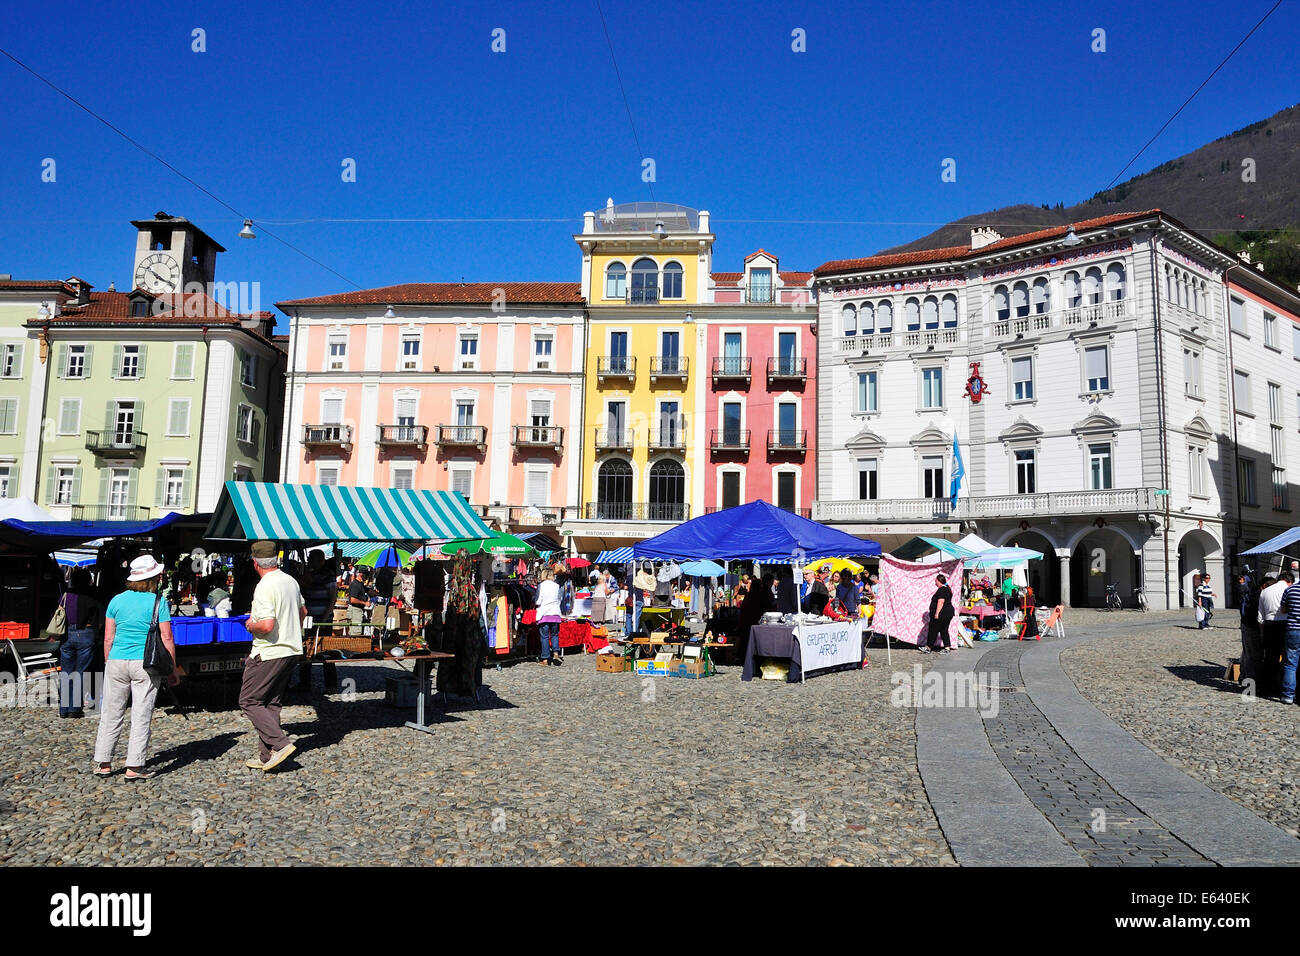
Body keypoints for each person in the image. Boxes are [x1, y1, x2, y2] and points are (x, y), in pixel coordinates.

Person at [93, 555, 178, 779]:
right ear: (153, 578)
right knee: (141, 714)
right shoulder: (158, 602)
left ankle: (103, 763)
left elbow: (108, 638)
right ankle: (134, 766)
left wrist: (107, 662)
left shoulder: (116, 601)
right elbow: (167, 637)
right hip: (146, 664)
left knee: (111, 713)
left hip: (116, 660)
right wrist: (173, 668)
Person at [240, 541, 306, 772]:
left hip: (269, 651)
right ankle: (266, 755)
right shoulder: (290, 581)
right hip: (291, 649)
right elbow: (303, 611)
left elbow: (266, 625)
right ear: (276, 560)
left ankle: (281, 744)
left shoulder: (265, 586)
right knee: (271, 702)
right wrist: (292, 631)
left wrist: (250, 625)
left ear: (255, 562)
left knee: (249, 700)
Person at [59, 568, 104, 719]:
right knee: (80, 672)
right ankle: (74, 709)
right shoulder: (93, 595)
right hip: (85, 633)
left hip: (66, 635)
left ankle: (64, 709)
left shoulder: (66, 595)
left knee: (66, 672)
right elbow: (100, 618)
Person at [1259, 571, 1292, 696]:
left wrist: (1262, 633)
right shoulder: (1289, 590)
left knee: (1270, 658)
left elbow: (1260, 617)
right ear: (1289, 581)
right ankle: (1284, 686)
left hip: (1269, 625)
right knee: (1288, 658)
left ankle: (1267, 687)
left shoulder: (1265, 591)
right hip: (1285, 625)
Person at [1279, 574, 1300, 705]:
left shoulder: (1290, 590)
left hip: (1293, 629)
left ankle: (1288, 695)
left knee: (1290, 664)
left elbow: (1283, 609)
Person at [535, 568, 562, 666]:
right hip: (555, 613)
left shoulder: (541, 586)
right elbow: (559, 599)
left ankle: (545, 658)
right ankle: (556, 652)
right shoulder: (557, 586)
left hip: (544, 613)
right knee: (555, 635)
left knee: (544, 637)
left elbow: (538, 601)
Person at [923, 572, 955, 654]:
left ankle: (928, 647)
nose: (935, 583)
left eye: (935, 581)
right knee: (944, 630)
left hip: (942, 613)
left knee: (933, 629)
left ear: (938, 581)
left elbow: (941, 601)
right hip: (948, 613)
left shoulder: (942, 589)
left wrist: (937, 613)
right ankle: (947, 648)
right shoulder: (947, 589)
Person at [348, 566, 373, 635]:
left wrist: (379, 593)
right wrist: (365, 603)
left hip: (359, 610)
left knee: (357, 631)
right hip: (355, 610)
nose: (367, 577)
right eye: (366, 575)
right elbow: (352, 600)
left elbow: (368, 591)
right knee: (355, 632)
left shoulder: (361, 584)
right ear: (361, 574)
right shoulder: (355, 584)